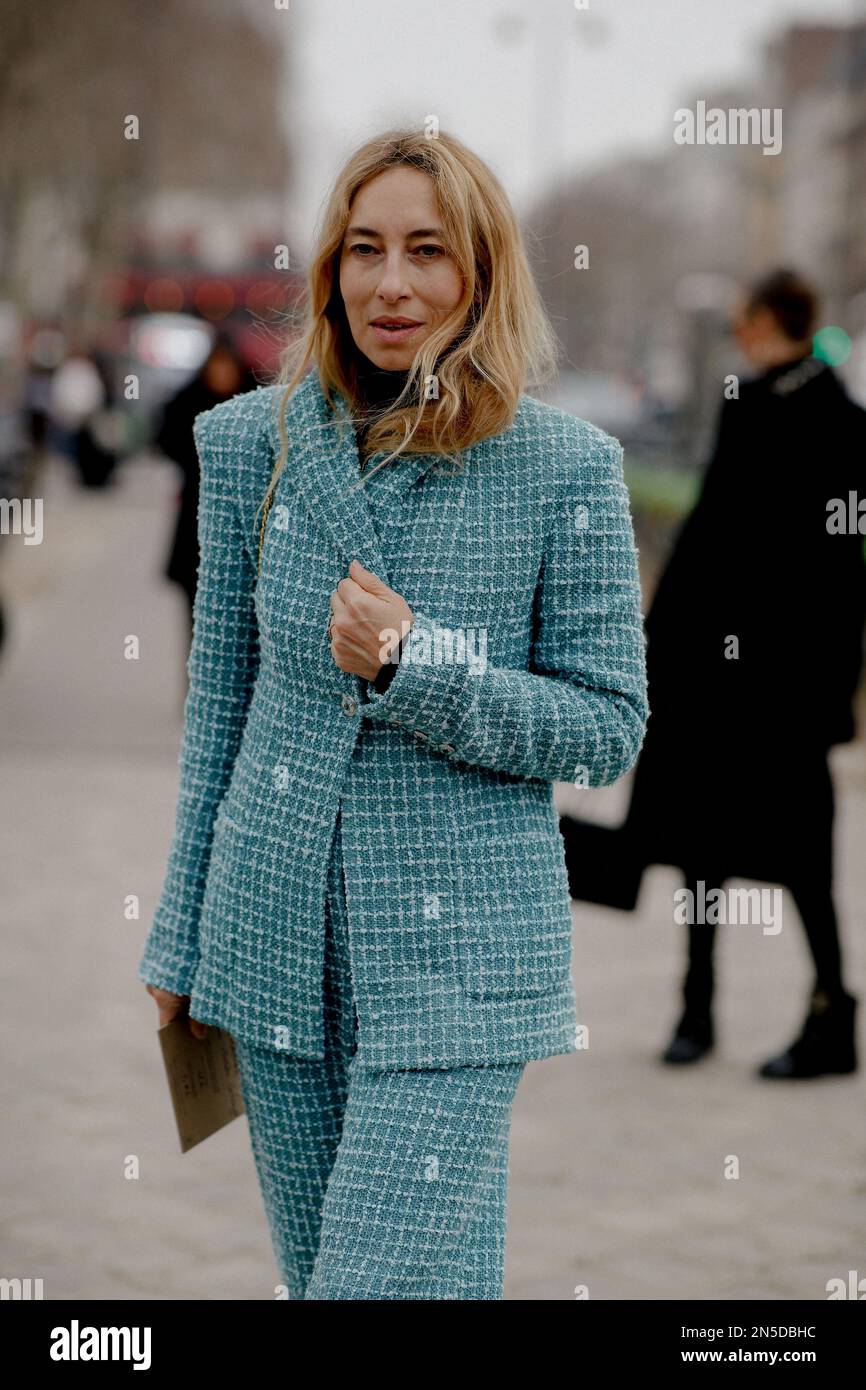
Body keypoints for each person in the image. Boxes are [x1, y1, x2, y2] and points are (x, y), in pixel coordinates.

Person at [137, 127, 648, 1300]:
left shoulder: (561, 467)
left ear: (479, 273)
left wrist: (420, 666)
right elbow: (217, 710)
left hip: (459, 960)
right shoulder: (245, 447)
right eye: (362, 249)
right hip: (267, 942)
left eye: (426, 250)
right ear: (328, 270)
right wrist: (179, 935)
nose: (390, 282)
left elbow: (605, 724)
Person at [560, 269, 866, 1080]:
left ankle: (800, 1013)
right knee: (722, 842)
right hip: (750, 683)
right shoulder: (816, 413)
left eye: (743, 323)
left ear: (767, 324)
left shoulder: (802, 416)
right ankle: (718, 1008)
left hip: (762, 685)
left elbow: (748, 552)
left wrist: (658, 647)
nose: (738, 337)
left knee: (774, 849)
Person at [156, 333, 256, 643]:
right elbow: (165, 437)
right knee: (197, 620)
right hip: (195, 524)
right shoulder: (189, 402)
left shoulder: (252, 403)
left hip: (244, 521)